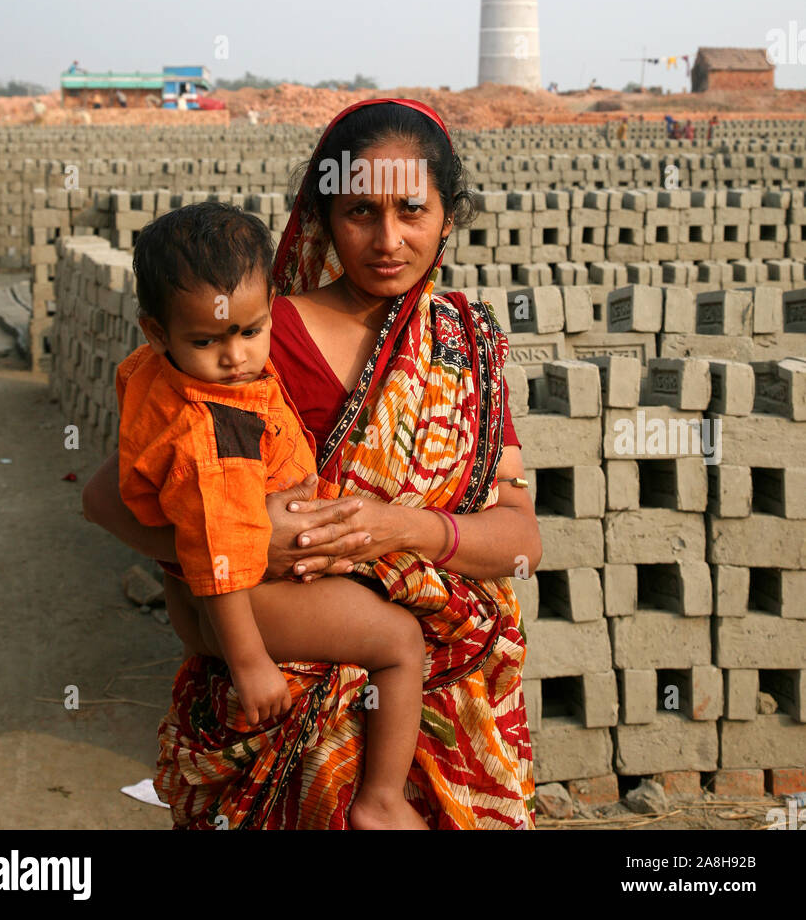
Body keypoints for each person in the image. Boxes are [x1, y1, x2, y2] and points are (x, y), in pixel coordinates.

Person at [82, 98, 540, 829]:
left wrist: (397, 529)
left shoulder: (464, 349)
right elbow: (110, 500)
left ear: (448, 217)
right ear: (324, 216)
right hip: (281, 703)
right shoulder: (258, 339)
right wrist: (242, 552)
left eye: (412, 211)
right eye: (360, 212)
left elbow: (520, 540)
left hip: (444, 703)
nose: (388, 240)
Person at [118, 201, 430, 831]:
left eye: (251, 331)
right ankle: (381, 799)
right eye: (207, 340)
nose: (235, 356)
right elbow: (221, 552)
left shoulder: (155, 372)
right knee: (401, 642)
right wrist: (250, 663)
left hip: (215, 588)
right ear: (157, 332)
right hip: (245, 598)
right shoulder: (220, 431)